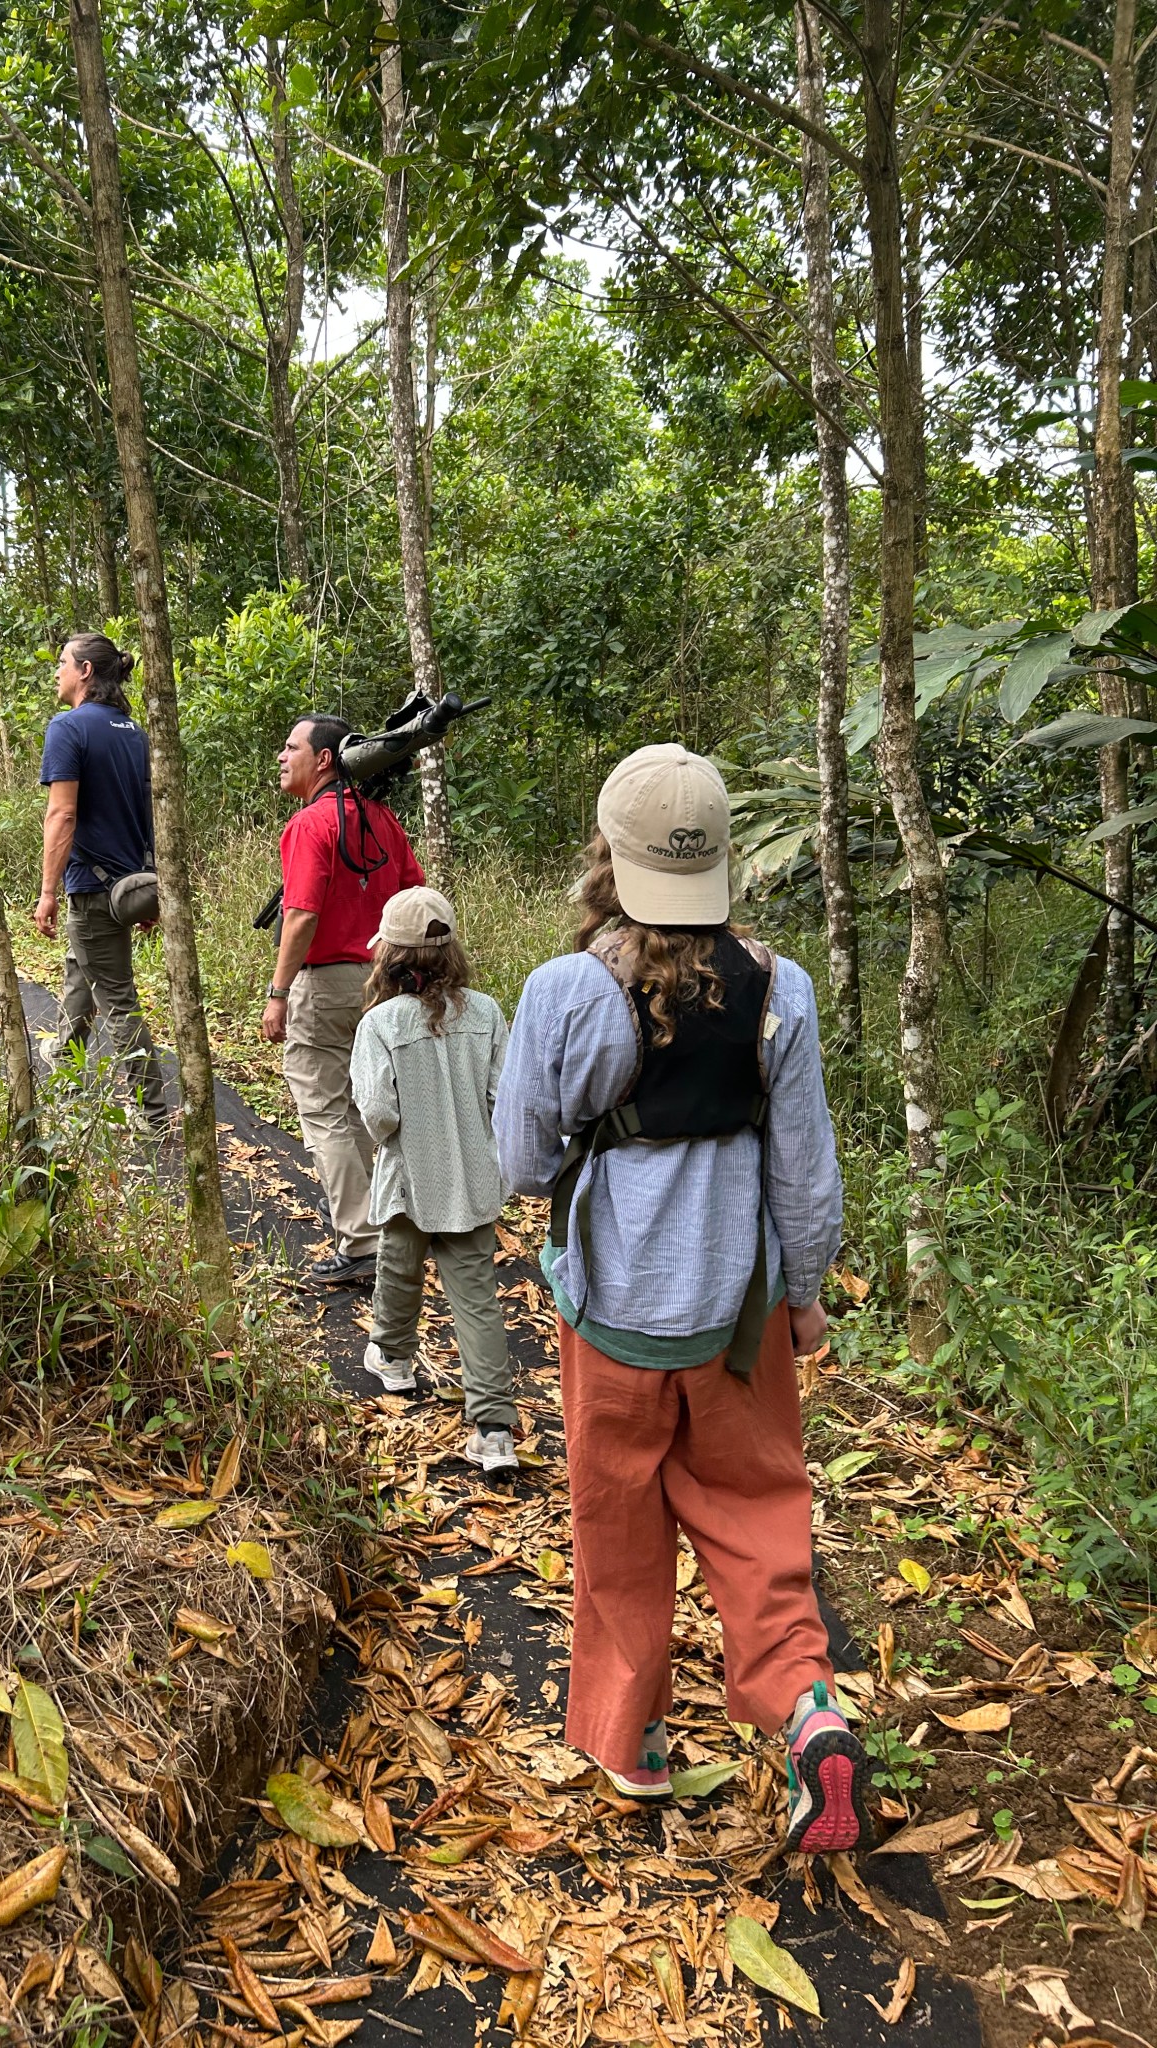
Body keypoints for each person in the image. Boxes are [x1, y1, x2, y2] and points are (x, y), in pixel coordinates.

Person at [493, 742, 865, 1854]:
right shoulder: (780, 989)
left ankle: (634, 1740)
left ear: (609, 854)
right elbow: (805, 1167)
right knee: (758, 1516)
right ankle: (808, 1709)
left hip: (610, 1314)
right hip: (736, 1319)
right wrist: (805, 1293)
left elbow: (519, 1158)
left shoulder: (570, 990)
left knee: (619, 1525)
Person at [350, 887, 519, 1474]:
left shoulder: (381, 1024)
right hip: (472, 1178)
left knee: (398, 1265)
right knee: (475, 1298)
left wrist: (401, 1130)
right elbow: (505, 1097)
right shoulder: (488, 1013)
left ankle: (393, 1358)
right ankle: (494, 1428)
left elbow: (378, 1112)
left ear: (388, 956)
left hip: (409, 1174)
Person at [262, 716, 425, 1287]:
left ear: (324, 759)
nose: (281, 756)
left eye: (291, 747)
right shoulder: (382, 820)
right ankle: (377, 1227)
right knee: (358, 1104)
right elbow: (416, 900)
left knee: (324, 1109)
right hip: (380, 981)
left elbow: (301, 913)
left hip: (325, 982)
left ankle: (359, 1242)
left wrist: (278, 993)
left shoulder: (310, 824)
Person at [33, 634, 168, 1125]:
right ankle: (66, 1070)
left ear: (86, 671)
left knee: (116, 998)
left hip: (91, 888)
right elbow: (147, 810)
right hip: (127, 884)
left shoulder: (68, 727)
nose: (57, 672)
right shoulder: (133, 731)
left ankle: (152, 1113)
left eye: (62, 663)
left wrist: (48, 892)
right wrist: (149, 885)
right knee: (80, 974)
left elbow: (62, 815)